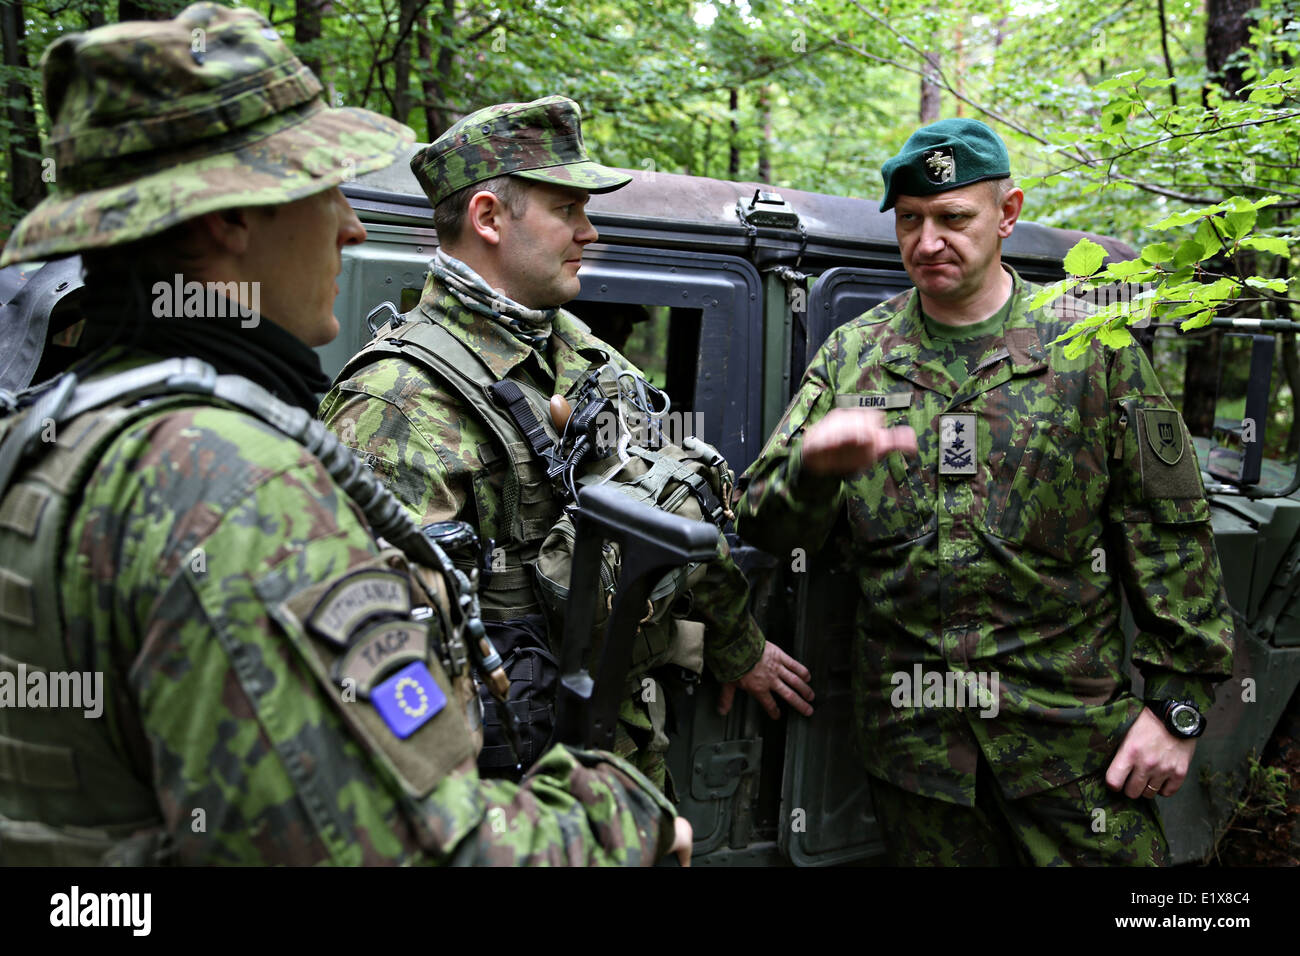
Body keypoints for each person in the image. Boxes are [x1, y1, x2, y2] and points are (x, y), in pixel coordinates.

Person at [0, 3, 689, 866]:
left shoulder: (52, 436)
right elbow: (415, 850)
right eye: (324, 189)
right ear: (232, 220)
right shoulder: (232, 485)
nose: (352, 225)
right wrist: (625, 815)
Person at [734, 118, 1234, 866]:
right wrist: (813, 468)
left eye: (952, 218)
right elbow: (765, 524)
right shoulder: (855, 356)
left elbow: (1168, 534)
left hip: (1073, 750)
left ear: (1007, 213)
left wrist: (1178, 708)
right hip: (919, 755)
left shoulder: (1091, 347)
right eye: (910, 220)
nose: (927, 241)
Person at [321, 95, 814, 790]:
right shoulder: (396, 403)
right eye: (567, 210)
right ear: (488, 217)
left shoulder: (588, 357)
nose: (588, 232)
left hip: (627, 759)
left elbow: (671, 511)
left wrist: (734, 644)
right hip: (516, 798)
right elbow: (385, 674)